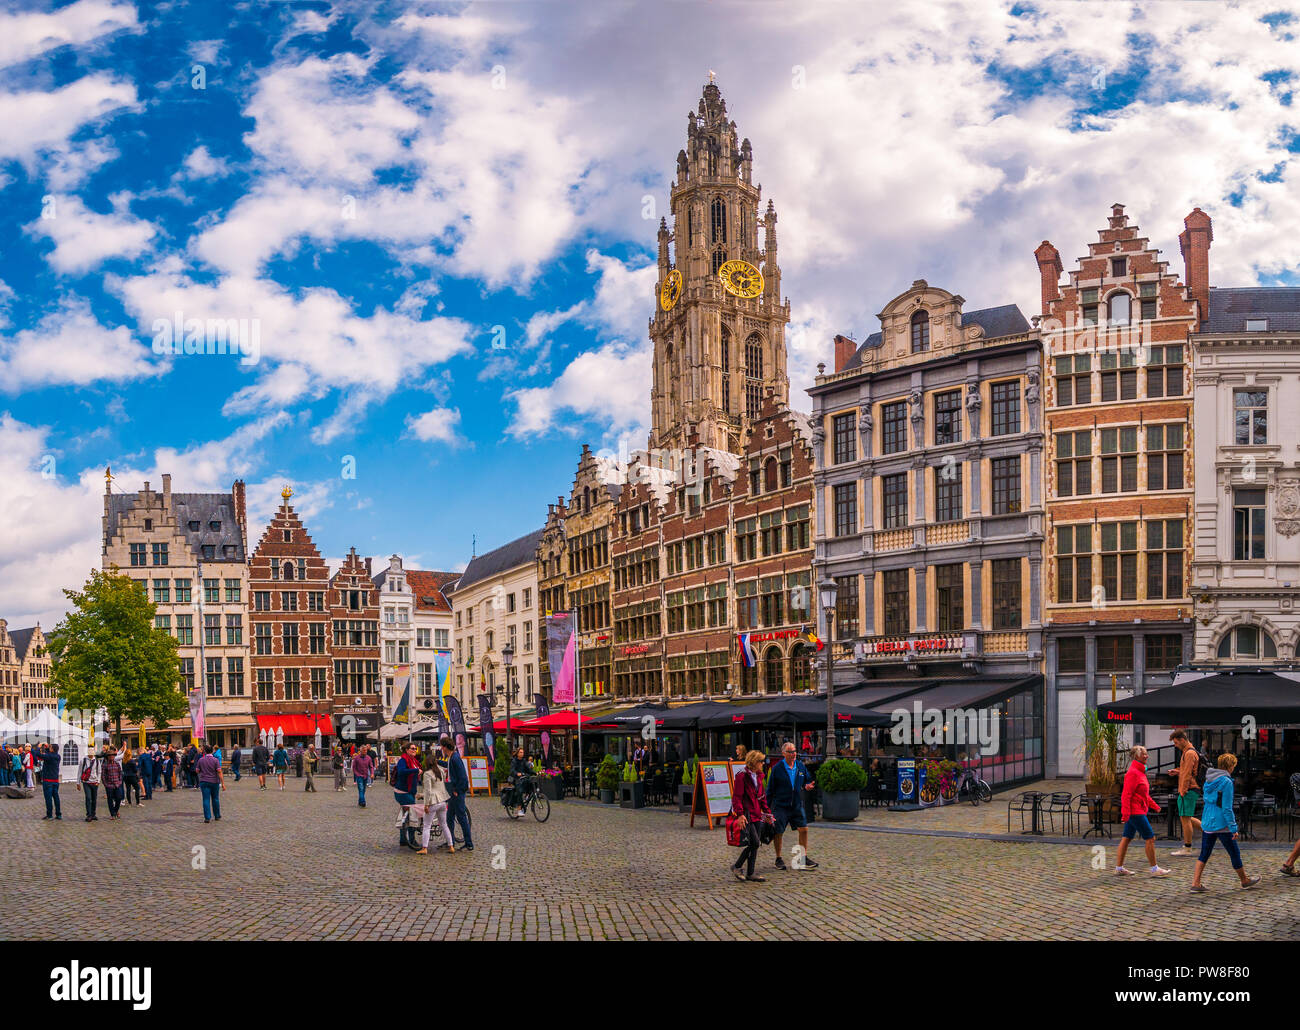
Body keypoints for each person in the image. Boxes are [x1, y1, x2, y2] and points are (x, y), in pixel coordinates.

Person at [1188, 752, 1259, 892]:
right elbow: (1226, 807)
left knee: (1204, 853)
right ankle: (1244, 880)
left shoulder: (1208, 780)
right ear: (1230, 766)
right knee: (1234, 852)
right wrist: (1233, 827)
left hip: (1208, 820)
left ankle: (1195, 883)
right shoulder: (1226, 782)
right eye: (1233, 765)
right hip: (1221, 823)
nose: (1234, 768)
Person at [1114, 745, 1170, 877]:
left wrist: (1154, 806)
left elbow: (1143, 794)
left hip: (1137, 810)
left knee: (1126, 838)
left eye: (1146, 753)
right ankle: (1154, 869)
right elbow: (1126, 795)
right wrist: (1125, 814)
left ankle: (1119, 868)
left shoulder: (1140, 772)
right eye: (1144, 754)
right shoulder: (1133, 773)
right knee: (1150, 838)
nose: (1147, 756)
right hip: (1135, 812)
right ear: (1136, 756)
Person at [765, 741, 819, 871]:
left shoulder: (800, 766)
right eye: (790, 752)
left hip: (796, 804)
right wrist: (766, 809)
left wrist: (807, 785)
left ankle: (802, 858)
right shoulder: (777, 769)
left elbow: (807, 778)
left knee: (804, 829)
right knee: (778, 832)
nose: (793, 754)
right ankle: (778, 858)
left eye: (794, 751)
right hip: (781, 805)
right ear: (784, 753)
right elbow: (770, 790)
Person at [729, 749, 774, 883]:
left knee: (756, 843)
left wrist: (768, 814)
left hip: (756, 814)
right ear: (754, 762)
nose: (763, 764)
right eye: (761, 761)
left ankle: (751, 873)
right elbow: (736, 797)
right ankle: (737, 866)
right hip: (747, 814)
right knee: (754, 842)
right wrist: (740, 814)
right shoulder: (742, 776)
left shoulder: (759, 776)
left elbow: (762, 797)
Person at [1168, 730, 1204, 857]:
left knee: (1185, 818)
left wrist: (1182, 790)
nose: (1176, 745)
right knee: (1187, 817)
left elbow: (1188, 774)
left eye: (1176, 742)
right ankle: (1210, 832)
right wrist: (1177, 771)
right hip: (1191, 789)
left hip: (1188, 789)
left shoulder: (1189, 753)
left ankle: (1187, 847)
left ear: (1182, 740)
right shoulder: (1189, 752)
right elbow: (1186, 770)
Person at [417, 753, 452, 855]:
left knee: (427, 825)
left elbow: (428, 791)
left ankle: (424, 848)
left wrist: (426, 805)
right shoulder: (440, 771)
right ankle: (451, 846)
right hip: (442, 801)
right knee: (444, 825)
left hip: (433, 802)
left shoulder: (427, 774)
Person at [442, 736, 473, 852]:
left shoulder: (455, 758)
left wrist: (457, 790)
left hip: (456, 793)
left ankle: (469, 843)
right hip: (452, 792)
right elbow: (449, 768)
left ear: (445, 747)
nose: (441, 749)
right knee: (449, 817)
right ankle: (450, 841)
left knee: (461, 817)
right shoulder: (451, 757)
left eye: (442, 746)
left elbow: (463, 777)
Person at [76, 747, 101, 821]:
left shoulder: (97, 761)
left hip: (94, 782)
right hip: (86, 782)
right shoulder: (83, 760)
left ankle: (93, 814)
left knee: (94, 799)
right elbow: (80, 771)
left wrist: (98, 781)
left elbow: (99, 771)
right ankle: (88, 815)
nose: (91, 756)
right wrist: (78, 783)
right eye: (90, 755)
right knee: (88, 798)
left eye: (92, 755)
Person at [100, 743, 124, 820]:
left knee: (119, 798)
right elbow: (103, 775)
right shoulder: (105, 765)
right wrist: (106, 784)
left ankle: (116, 810)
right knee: (110, 800)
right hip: (109, 785)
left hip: (117, 784)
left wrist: (120, 782)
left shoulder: (117, 764)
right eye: (110, 756)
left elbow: (120, 773)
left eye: (113, 755)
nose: (111, 757)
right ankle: (112, 814)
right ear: (108, 757)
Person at [508, 746, 530, 817]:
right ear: (517, 753)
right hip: (516, 779)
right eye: (520, 752)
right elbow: (512, 770)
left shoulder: (524, 761)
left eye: (523, 752)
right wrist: (517, 773)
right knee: (519, 791)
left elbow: (528, 769)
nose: (522, 754)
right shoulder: (514, 761)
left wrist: (536, 773)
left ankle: (527, 797)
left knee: (531, 783)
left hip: (523, 778)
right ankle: (519, 809)